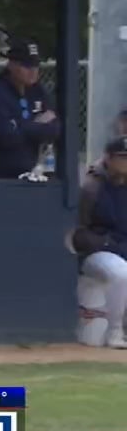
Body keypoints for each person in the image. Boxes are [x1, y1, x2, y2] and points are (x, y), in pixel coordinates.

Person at [0, 39, 60, 179]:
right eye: (26, 66)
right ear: (11, 65)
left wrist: (20, 125)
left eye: (36, 66)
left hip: (24, 173)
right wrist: (37, 125)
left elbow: (54, 129)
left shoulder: (38, 91)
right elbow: (6, 135)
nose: (33, 71)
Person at [70, 136, 127, 349]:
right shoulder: (92, 186)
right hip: (96, 253)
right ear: (109, 159)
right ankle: (115, 332)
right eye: (122, 157)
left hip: (121, 248)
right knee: (121, 272)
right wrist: (107, 244)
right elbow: (78, 232)